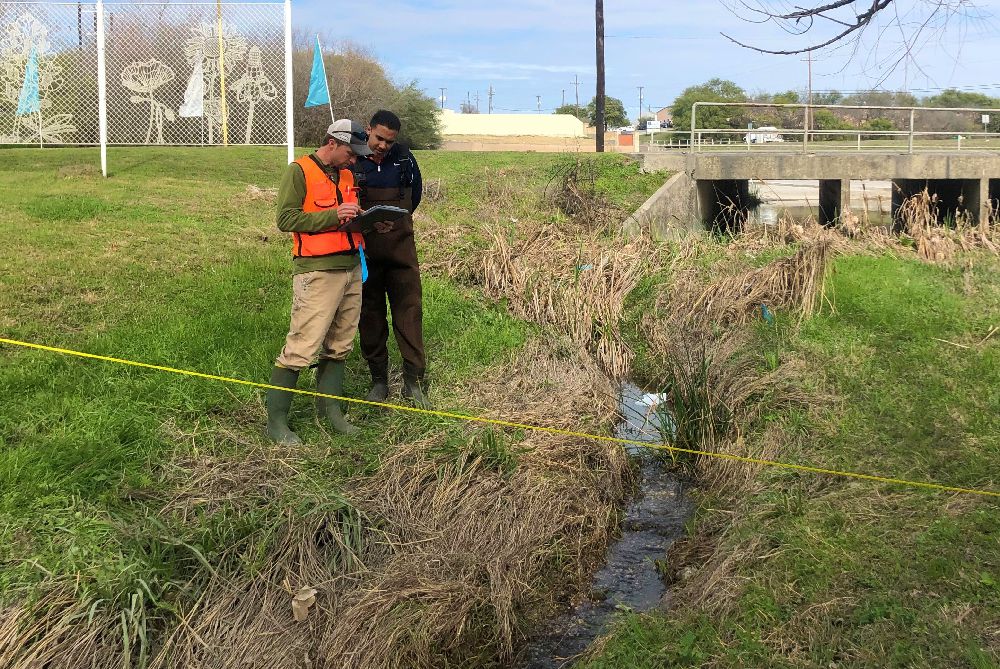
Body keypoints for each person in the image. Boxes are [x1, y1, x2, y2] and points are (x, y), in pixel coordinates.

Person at [265, 119, 374, 445]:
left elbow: (348, 215)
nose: (354, 160)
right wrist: (333, 216)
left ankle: (331, 413)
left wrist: (368, 221)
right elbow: (286, 219)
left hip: (352, 267)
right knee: (302, 346)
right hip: (318, 271)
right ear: (332, 143)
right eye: (351, 153)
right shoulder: (298, 171)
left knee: (340, 344)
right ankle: (276, 422)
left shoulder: (346, 174)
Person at [352, 109, 429, 407]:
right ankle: (378, 381)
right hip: (365, 252)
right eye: (378, 138)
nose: (383, 145)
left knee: (409, 312)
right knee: (369, 315)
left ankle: (414, 382)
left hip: (401, 250)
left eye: (389, 141)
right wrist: (370, 223)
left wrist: (395, 220)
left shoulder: (405, 159)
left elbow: (415, 196)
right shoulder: (354, 160)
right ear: (369, 130)